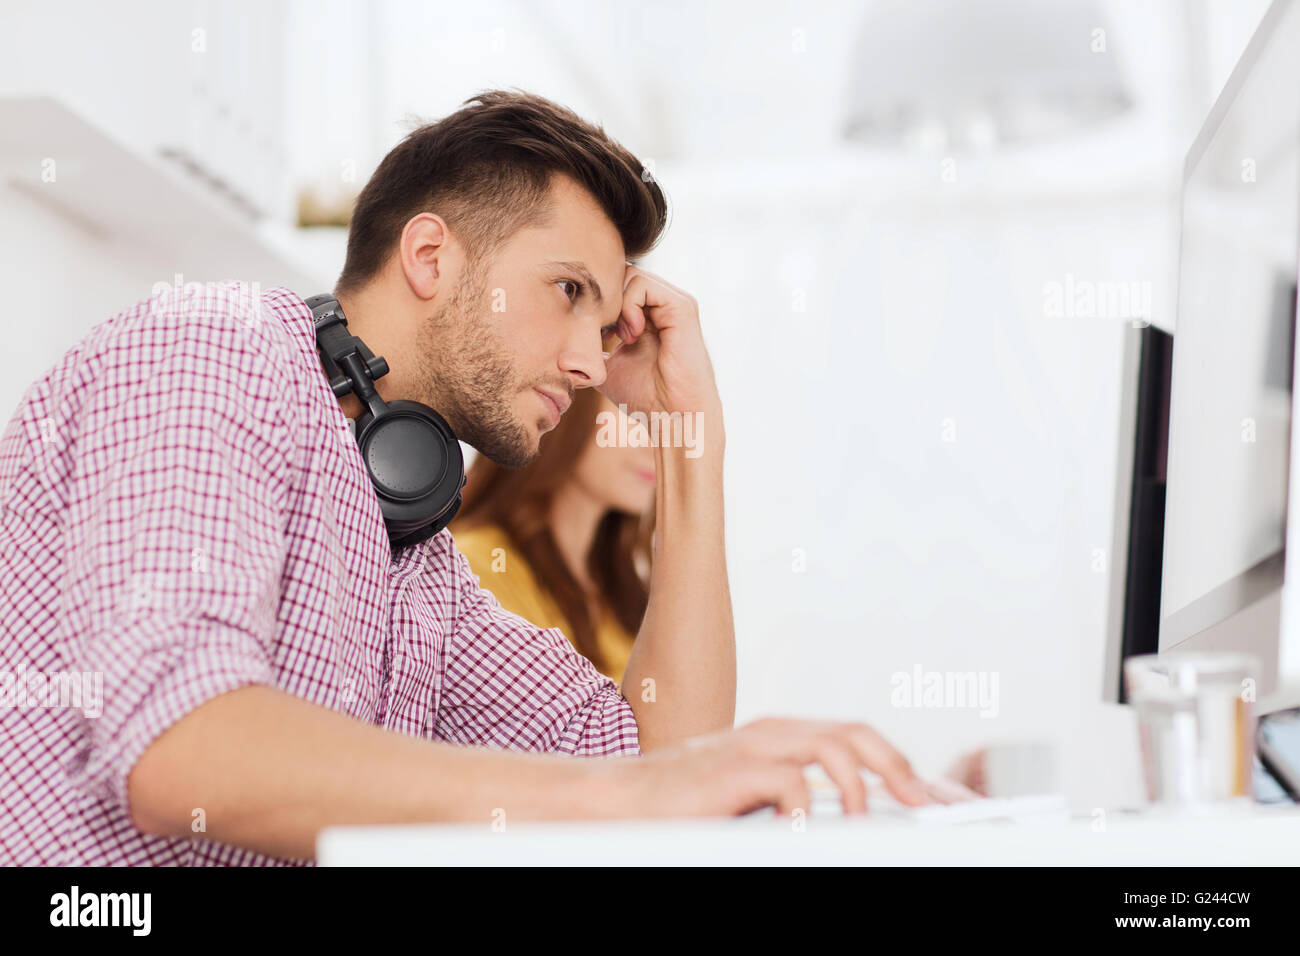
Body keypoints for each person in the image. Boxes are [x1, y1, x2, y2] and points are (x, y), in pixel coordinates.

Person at [0, 90, 930, 866]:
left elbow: (655, 764)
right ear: (432, 257)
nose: (592, 364)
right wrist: (631, 796)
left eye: (607, 326)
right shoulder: (208, 347)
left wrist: (692, 440)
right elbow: (181, 749)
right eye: (568, 292)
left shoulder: (420, 566)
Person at [453, 388, 654, 684]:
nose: (655, 443)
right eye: (631, 412)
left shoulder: (619, 588)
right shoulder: (475, 566)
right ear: (562, 408)